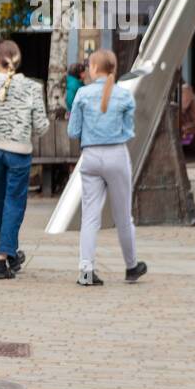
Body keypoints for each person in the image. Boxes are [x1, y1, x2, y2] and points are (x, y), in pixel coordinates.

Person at [0, 39, 49, 280]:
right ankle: (3, 258)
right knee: (14, 203)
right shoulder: (33, 87)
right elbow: (42, 127)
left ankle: (9, 253)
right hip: (20, 152)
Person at [69, 49, 147, 286]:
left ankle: (86, 270)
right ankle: (131, 267)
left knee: (90, 216)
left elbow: (73, 131)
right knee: (123, 216)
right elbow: (129, 131)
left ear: (93, 68)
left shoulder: (82, 94)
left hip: (90, 155)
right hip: (116, 154)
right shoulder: (124, 95)